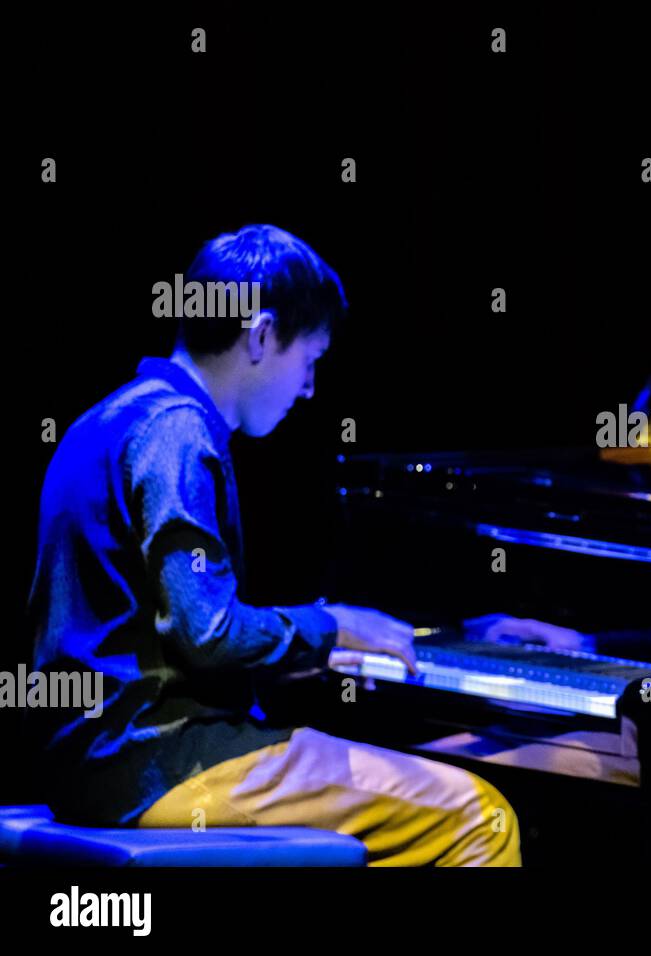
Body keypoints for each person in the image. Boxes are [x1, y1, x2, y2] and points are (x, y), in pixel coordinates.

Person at [26, 224, 520, 865]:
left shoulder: (109, 418)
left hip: (89, 767)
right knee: (479, 817)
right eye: (309, 360)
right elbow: (208, 633)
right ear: (260, 335)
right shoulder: (177, 430)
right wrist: (332, 626)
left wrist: (316, 644)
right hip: (161, 764)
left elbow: (165, 635)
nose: (310, 389)